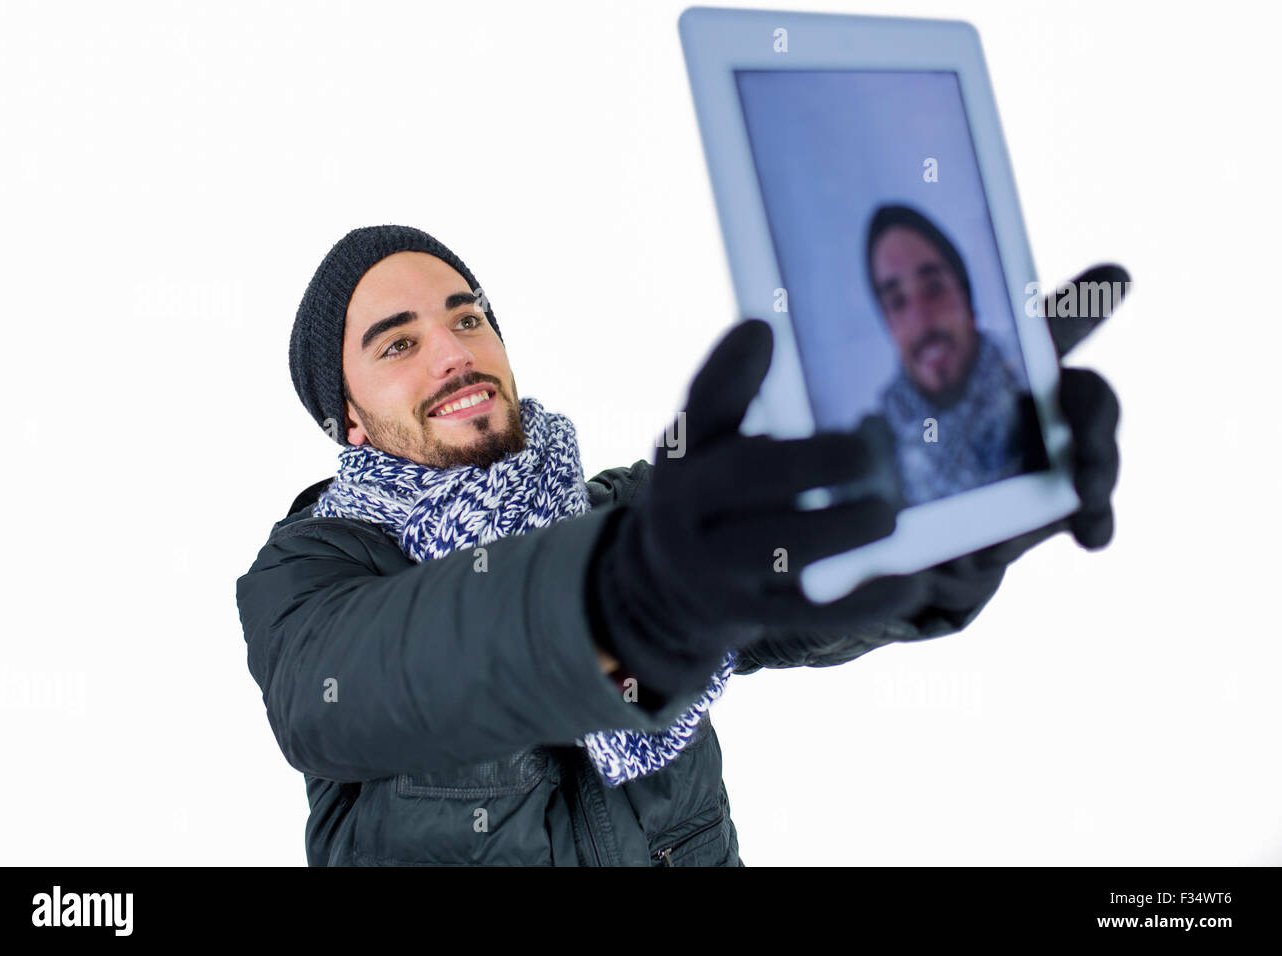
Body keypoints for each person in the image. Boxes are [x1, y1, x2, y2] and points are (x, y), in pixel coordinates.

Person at [235, 224, 1125, 866]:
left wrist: (933, 518)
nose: (452, 354)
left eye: (468, 320)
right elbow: (376, 675)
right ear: (346, 416)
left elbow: (789, 571)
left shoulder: (619, 516)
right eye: (398, 343)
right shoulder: (309, 583)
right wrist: (618, 601)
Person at [866, 203, 1046, 506]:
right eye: (897, 301)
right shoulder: (872, 454)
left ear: (966, 297)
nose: (920, 320)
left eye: (934, 287)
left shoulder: (1032, 388)